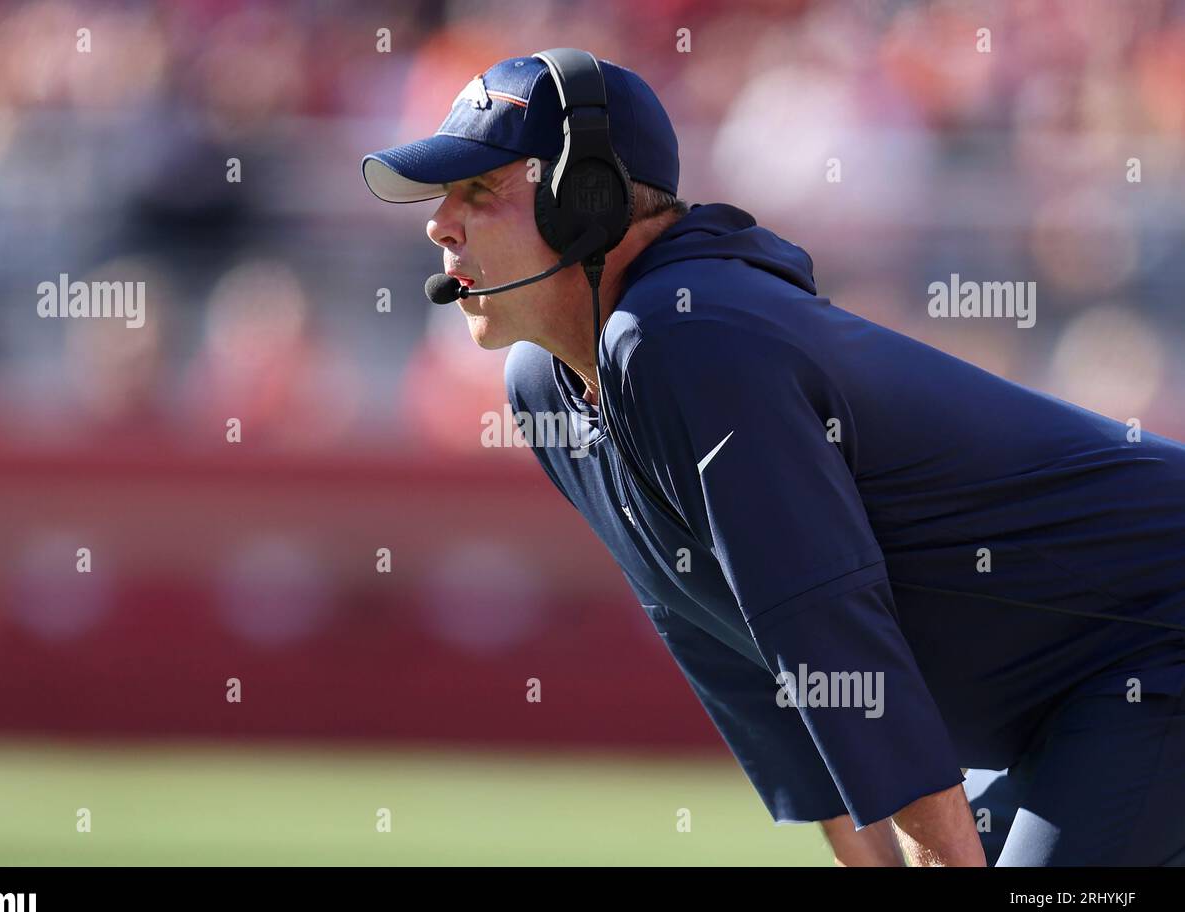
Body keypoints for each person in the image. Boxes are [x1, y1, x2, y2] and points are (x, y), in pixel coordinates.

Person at [361, 50, 1185, 866]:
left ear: (589, 200)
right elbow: (727, 637)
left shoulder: (684, 339)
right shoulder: (548, 382)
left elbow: (828, 624)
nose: (440, 223)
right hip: (1081, 691)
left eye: (480, 190)